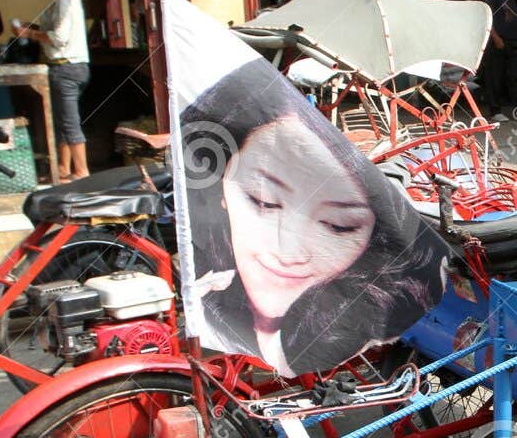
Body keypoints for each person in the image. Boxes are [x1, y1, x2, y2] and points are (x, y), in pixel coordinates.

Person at [182, 60, 447, 378]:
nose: (290, 252)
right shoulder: (207, 295)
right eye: (264, 201)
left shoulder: (371, 313)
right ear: (222, 187)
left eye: (338, 225)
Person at [15, 0, 90, 180]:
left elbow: (58, 37)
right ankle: (64, 169)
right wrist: (35, 27)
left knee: (68, 121)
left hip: (66, 68)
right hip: (69, 68)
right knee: (62, 120)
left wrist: (29, 33)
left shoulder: (67, 1)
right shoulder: (65, 1)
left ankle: (81, 170)